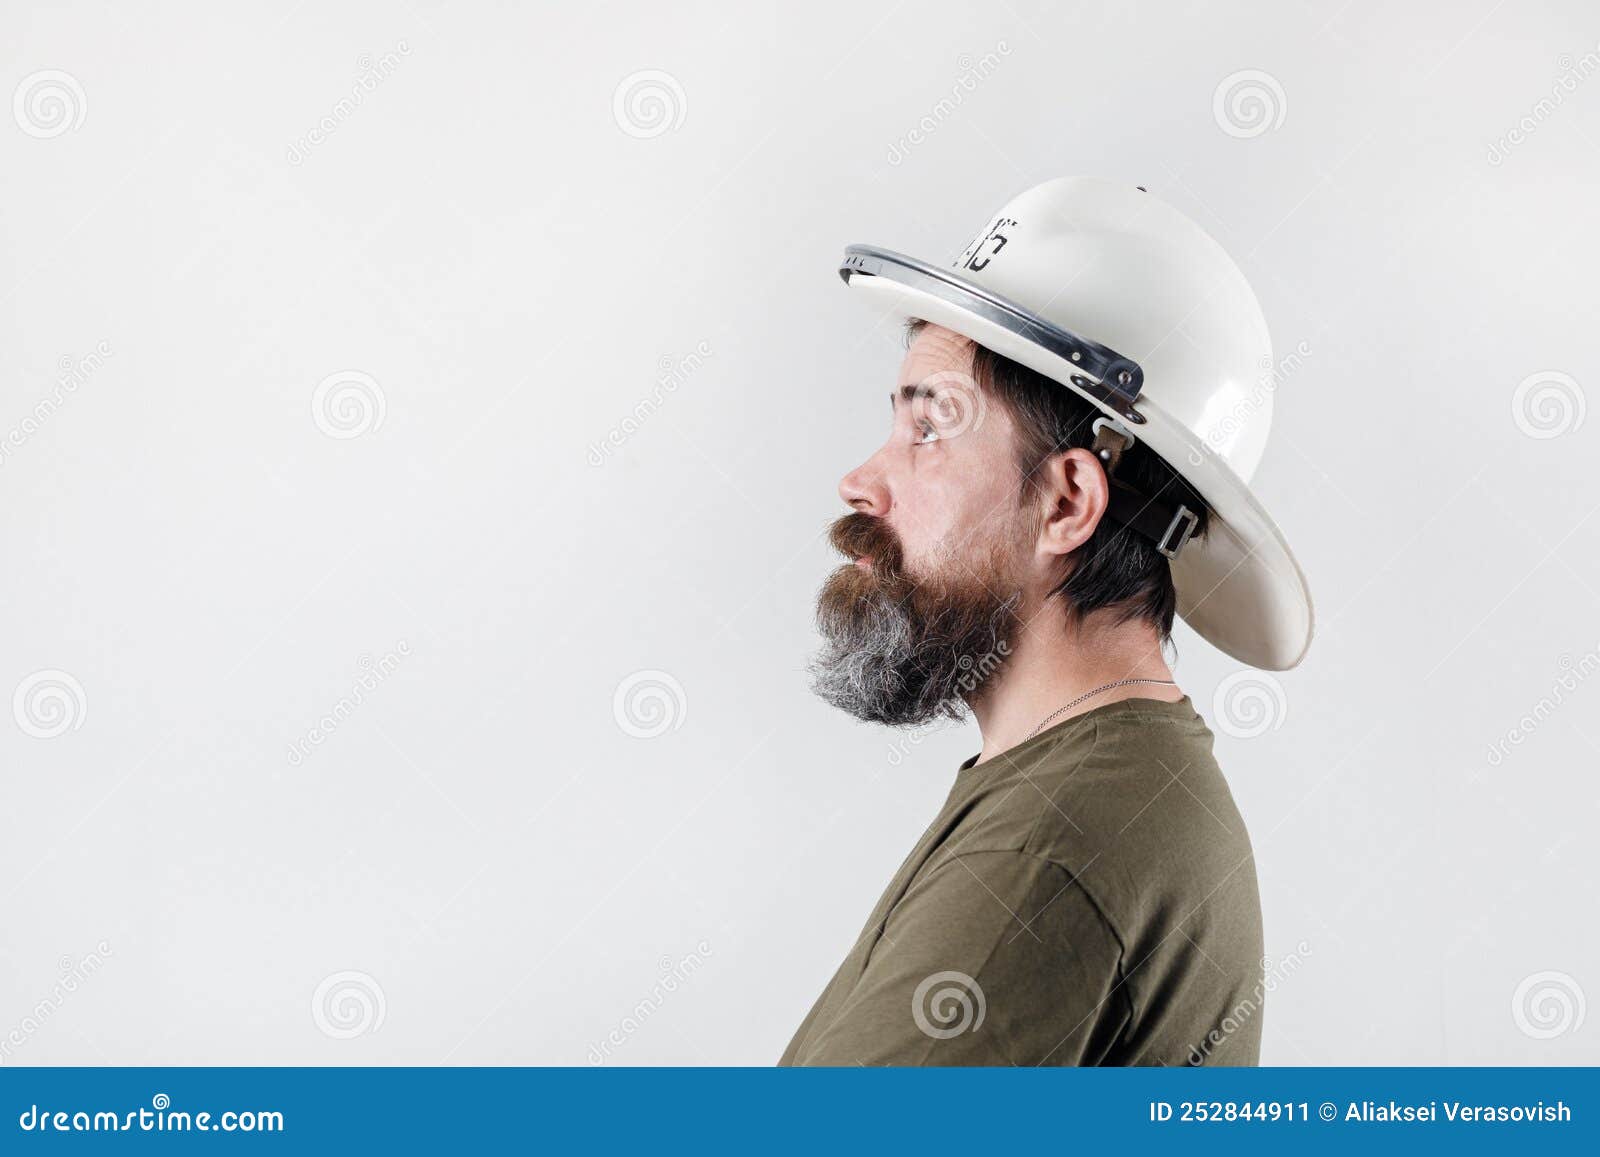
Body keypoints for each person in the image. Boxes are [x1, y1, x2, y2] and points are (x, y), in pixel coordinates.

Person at [779, 177, 1314, 1066]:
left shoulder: (1052, 851)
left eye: (930, 428)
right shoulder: (1109, 787)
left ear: (1067, 501)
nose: (861, 482)